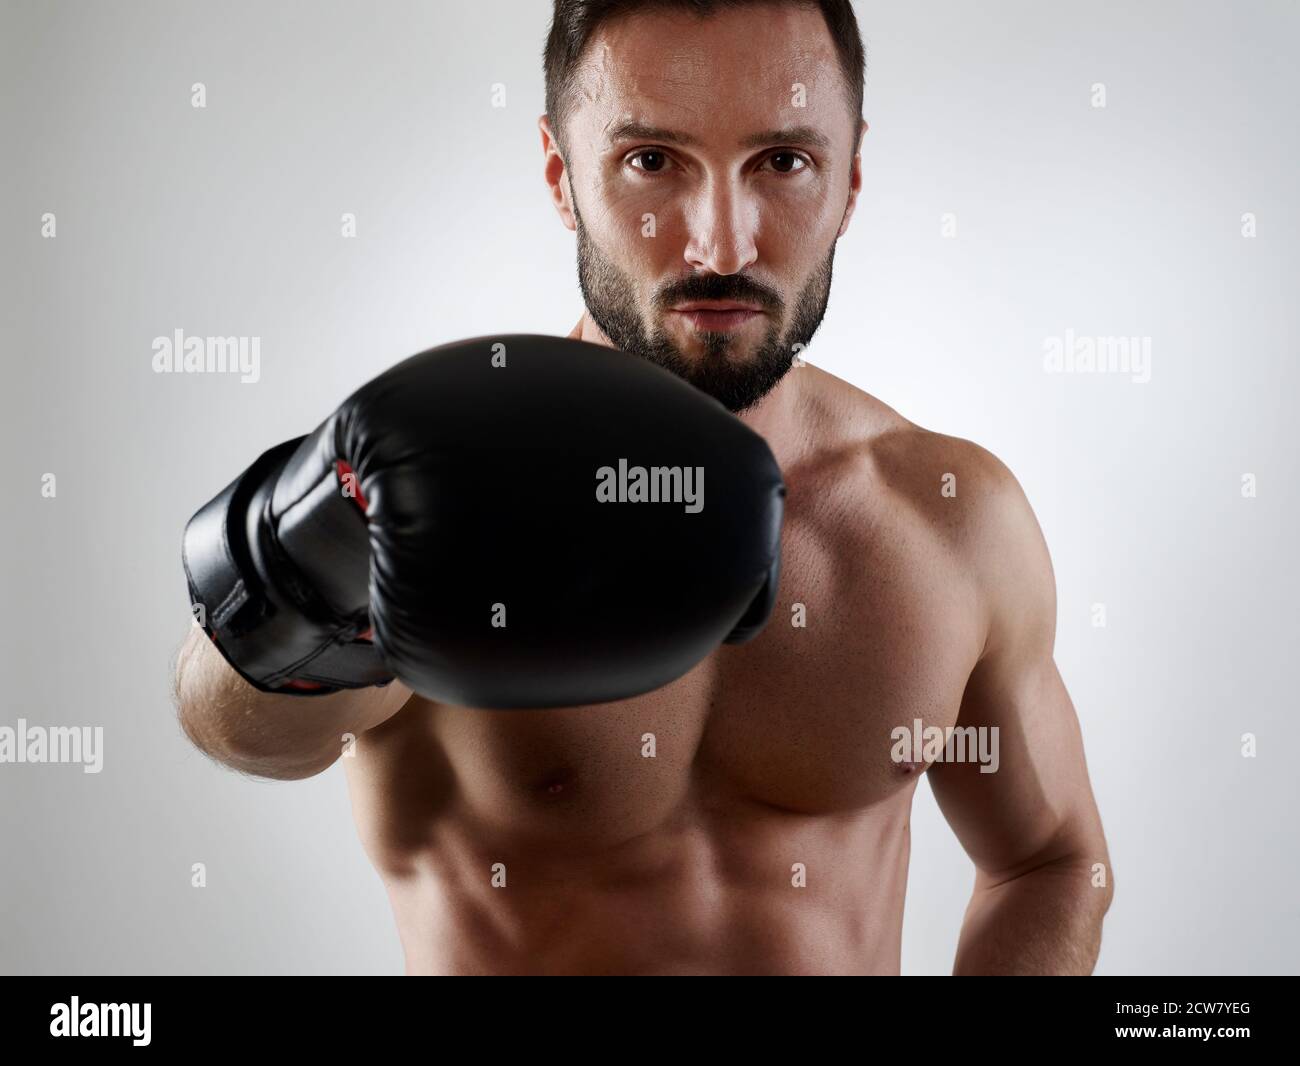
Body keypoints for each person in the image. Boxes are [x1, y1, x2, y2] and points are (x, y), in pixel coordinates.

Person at [174, 0, 1113, 975]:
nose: (719, 245)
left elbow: (1049, 861)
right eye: (652, 161)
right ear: (560, 174)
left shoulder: (948, 515)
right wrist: (306, 575)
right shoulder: (454, 474)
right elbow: (245, 736)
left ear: (852, 176)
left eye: (782, 161)